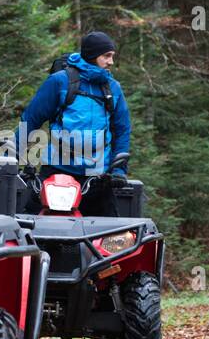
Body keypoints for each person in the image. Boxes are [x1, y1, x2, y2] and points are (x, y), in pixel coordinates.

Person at [17, 31, 132, 217]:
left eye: (112, 56)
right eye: (106, 56)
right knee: (30, 226)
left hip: (97, 176)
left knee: (112, 235)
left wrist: (119, 169)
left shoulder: (113, 88)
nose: (111, 62)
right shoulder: (59, 81)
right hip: (57, 170)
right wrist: (11, 157)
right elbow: (31, 119)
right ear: (93, 55)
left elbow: (122, 130)